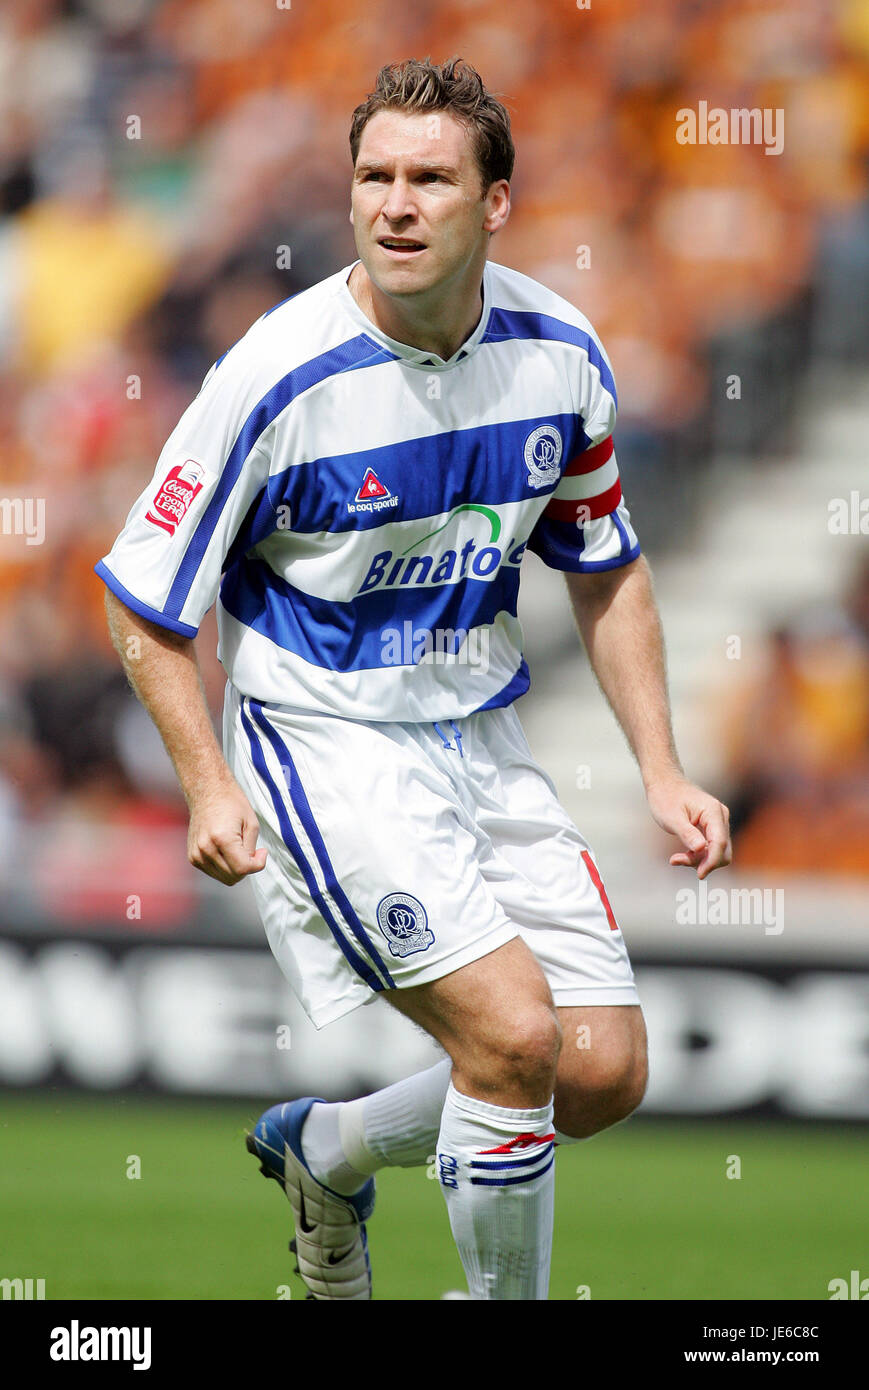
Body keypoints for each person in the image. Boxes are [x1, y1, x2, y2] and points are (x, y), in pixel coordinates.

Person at [97, 57, 731, 1301]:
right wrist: (207, 784)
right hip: (322, 742)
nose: (394, 204)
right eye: (373, 177)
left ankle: (326, 1149)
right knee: (511, 1036)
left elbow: (604, 567)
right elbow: (142, 598)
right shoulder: (273, 380)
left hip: (480, 740)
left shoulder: (559, 355)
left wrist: (659, 767)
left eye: (430, 179)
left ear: (493, 203)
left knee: (596, 1069)